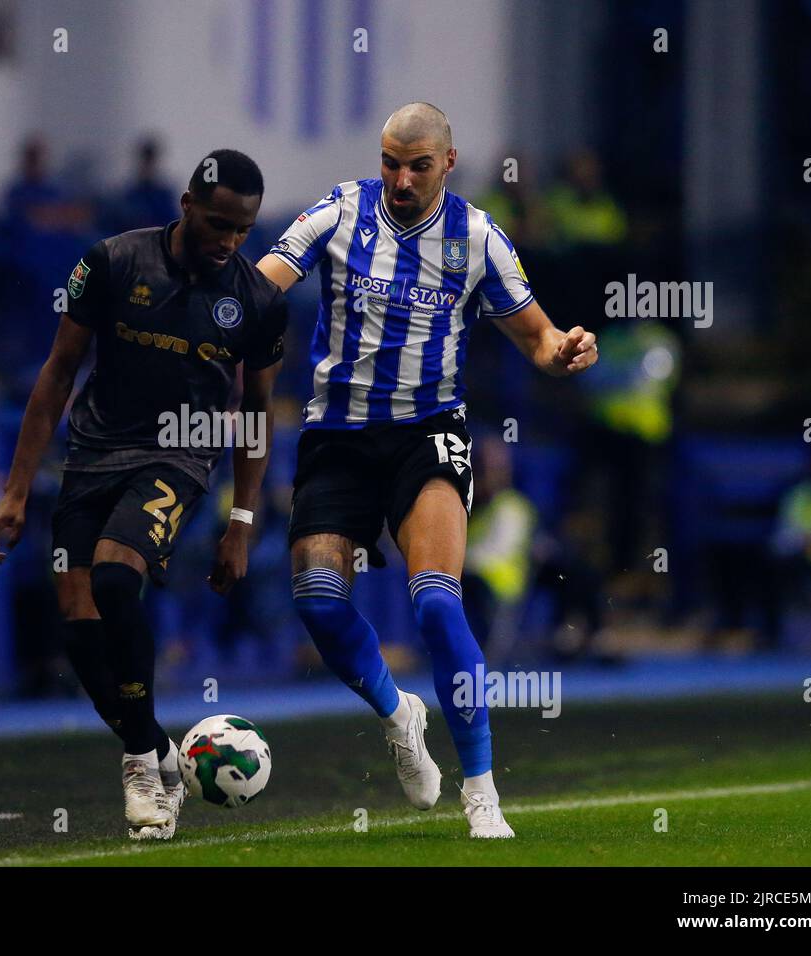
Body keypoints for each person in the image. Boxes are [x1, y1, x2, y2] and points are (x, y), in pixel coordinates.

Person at [255, 102, 599, 838]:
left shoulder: (477, 239)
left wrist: (564, 350)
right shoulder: (340, 213)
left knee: (438, 603)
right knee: (317, 601)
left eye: (416, 165)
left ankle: (481, 791)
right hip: (338, 436)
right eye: (389, 162)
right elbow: (264, 282)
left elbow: (536, 337)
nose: (400, 179)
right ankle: (397, 710)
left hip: (427, 432)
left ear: (448, 162)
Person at [0, 149, 287, 840]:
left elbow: (258, 414)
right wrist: (16, 491)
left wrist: (242, 518)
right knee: (79, 631)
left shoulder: (259, 303)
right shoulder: (112, 262)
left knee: (118, 577)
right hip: (92, 453)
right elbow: (58, 373)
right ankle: (162, 753)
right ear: (185, 204)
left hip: (181, 453)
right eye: (216, 224)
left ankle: (140, 767)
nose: (227, 242)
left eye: (241, 230)